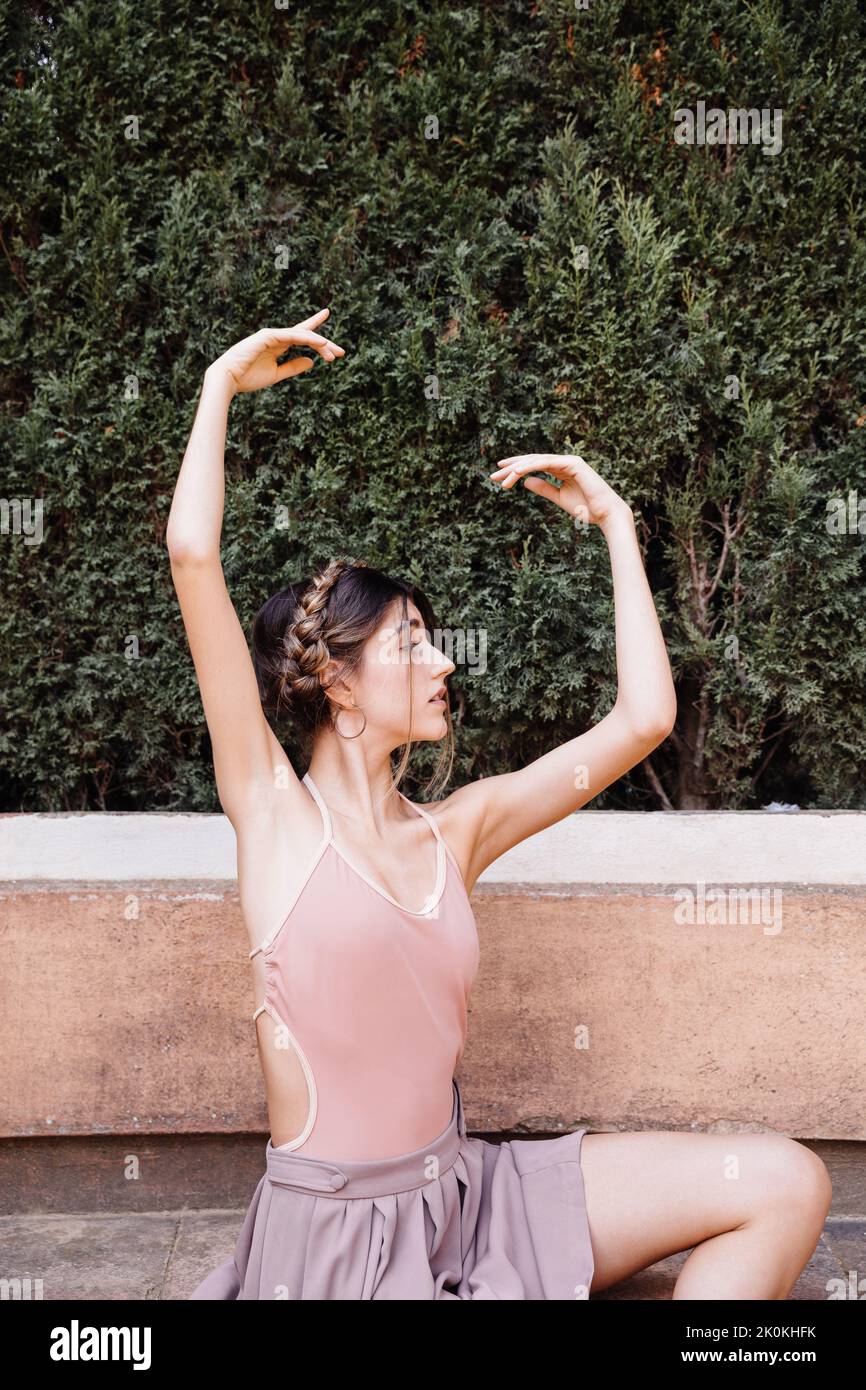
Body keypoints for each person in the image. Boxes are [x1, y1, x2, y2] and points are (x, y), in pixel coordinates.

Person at [168, 310, 831, 1300]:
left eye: (434, 639)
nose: (441, 662)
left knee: (784, 1180)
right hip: (340, 1250)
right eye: (408, 644)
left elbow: (644, 718)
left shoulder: (455, 830)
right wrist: (220, 381)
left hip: (472, 1197)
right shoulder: (271, 814)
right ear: (336, 684)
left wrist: (616, 525)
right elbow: (191, 555)